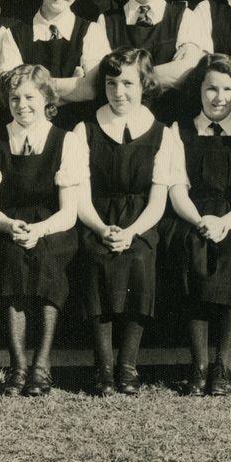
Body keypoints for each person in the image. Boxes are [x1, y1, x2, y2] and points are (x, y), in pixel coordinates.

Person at [74, 48, 179, 396]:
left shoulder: (163, 133)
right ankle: (103, 367)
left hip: (141, 220)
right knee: (95, 258)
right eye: (111, 83)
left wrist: (133, 232)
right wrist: (101, 229)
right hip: (96, 218)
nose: (119, 93)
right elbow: (80, 195)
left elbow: (158, 200)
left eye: (128, 84)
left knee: (139, 259)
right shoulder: (84, 130)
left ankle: (128, 364)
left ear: (144, 84)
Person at [0, 65, 84, 397]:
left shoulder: (66, 141)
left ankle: (41, 364)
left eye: (30, 97)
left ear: (47, 99)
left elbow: (69, 212)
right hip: (7, 225)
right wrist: (10, 226)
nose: (22, 105)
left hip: (52, 225)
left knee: (48, 258)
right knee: (11, 258)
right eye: (14, 98)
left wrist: (39, 230)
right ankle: (17, 366)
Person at [166, 54, 231, 397]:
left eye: (226, 89)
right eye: (211, 89)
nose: (218, 97)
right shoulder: (181, 129)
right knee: (194, 253)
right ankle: (199, 365)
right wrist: (200, 220)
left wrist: (227, 221)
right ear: (199, 90)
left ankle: (224, 365)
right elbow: (176, 187)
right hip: (191, 215)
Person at [0, 0, 111, 125]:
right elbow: (14, 92)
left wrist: (33, 86)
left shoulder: (91, 31)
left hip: (78, 128)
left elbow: (91, 90)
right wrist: (74, 85)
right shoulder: (14, 34)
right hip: (28, 128)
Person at [102, 0, 206, 105]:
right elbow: (103, 78)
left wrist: (124, 79)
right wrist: (163, 73)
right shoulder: (106, 21)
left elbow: (185, 72)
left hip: (168, 119)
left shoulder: (185, 16)